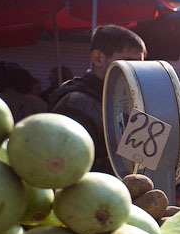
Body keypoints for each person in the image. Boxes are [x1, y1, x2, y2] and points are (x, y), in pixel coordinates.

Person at [48, 25, 146, 173]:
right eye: (128, 63)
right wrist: (136, 160)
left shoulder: (126, 101)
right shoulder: (75, 104)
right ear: (98, 58)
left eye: (140, 65)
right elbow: (69, 168)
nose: (135, 71)